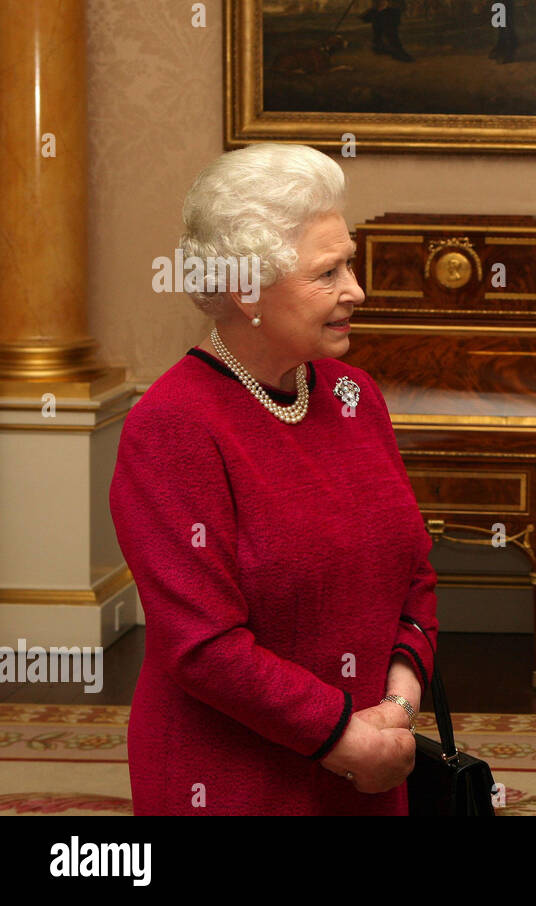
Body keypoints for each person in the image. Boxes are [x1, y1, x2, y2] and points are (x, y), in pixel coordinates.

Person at [109, 143, 436, 815]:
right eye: (329, 271)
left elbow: (415, 577)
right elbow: (204, 647)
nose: (356, 290)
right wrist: (348, 738)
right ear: (245, 288)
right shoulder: (172, 427)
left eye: (350, 262)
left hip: (371, 768)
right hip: (232, 781)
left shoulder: (355, 396)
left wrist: (396, 711)